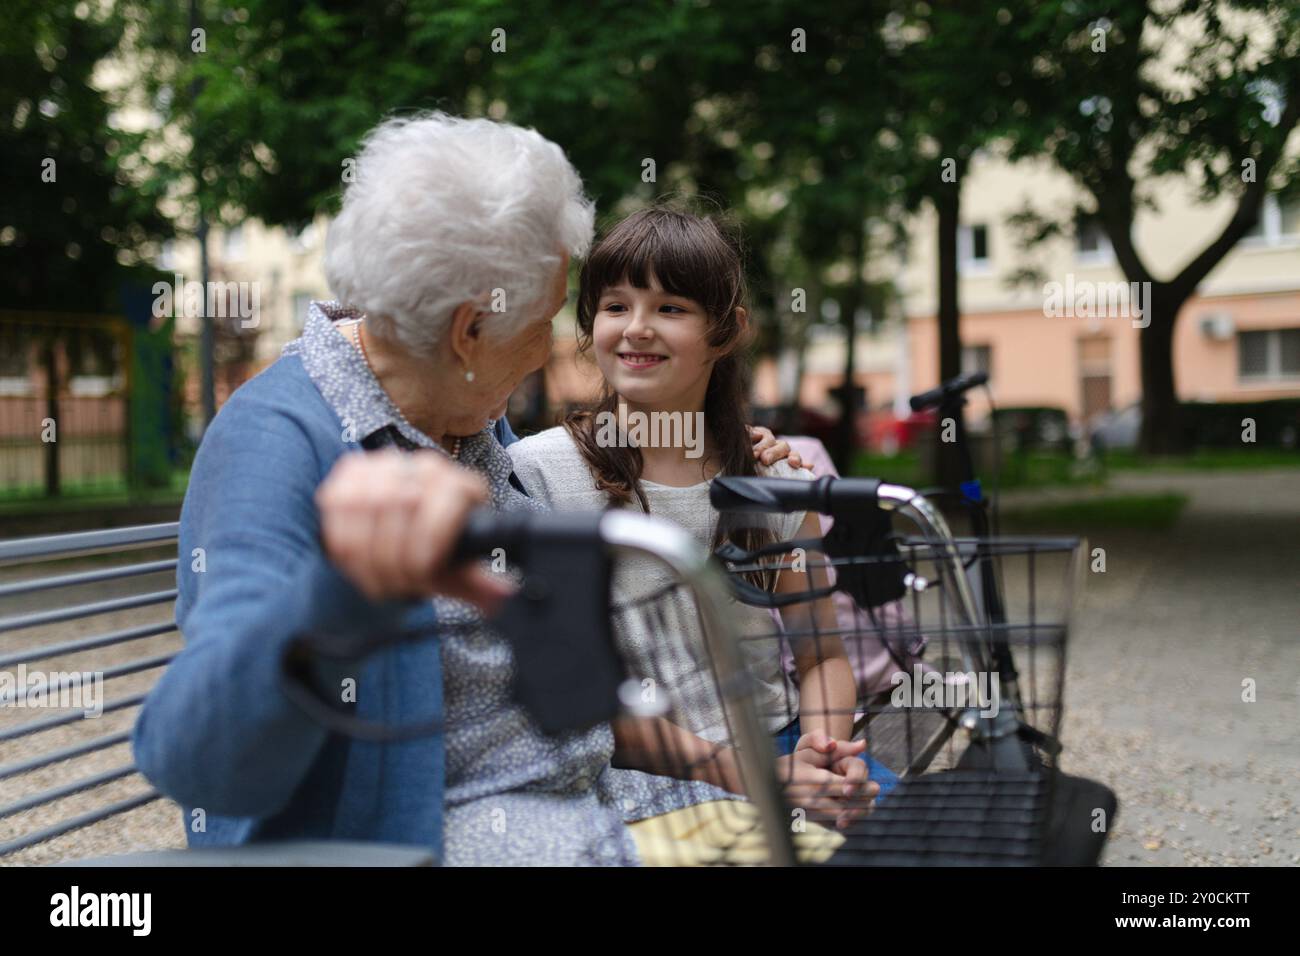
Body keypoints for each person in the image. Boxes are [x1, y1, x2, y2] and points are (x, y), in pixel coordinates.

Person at [131, 113, 803, 866]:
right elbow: (199, 766)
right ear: (467, 331)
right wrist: (339, 590)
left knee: (818, 843)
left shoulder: (461, 415)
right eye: (545, 319)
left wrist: (728, 449)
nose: (550, 346)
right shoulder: (277, 443)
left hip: (593, 796)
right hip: (437, 836)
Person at [508, 207, 892, 829]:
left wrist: (824, 753)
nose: (636, 329)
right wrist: (761, 779)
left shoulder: (778, 483)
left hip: (780, 744)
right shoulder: (541, 476)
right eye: (615, 306)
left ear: (725, 330)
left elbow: (822, 657)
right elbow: (576, 698)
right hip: (636, 778)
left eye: (670, 308)